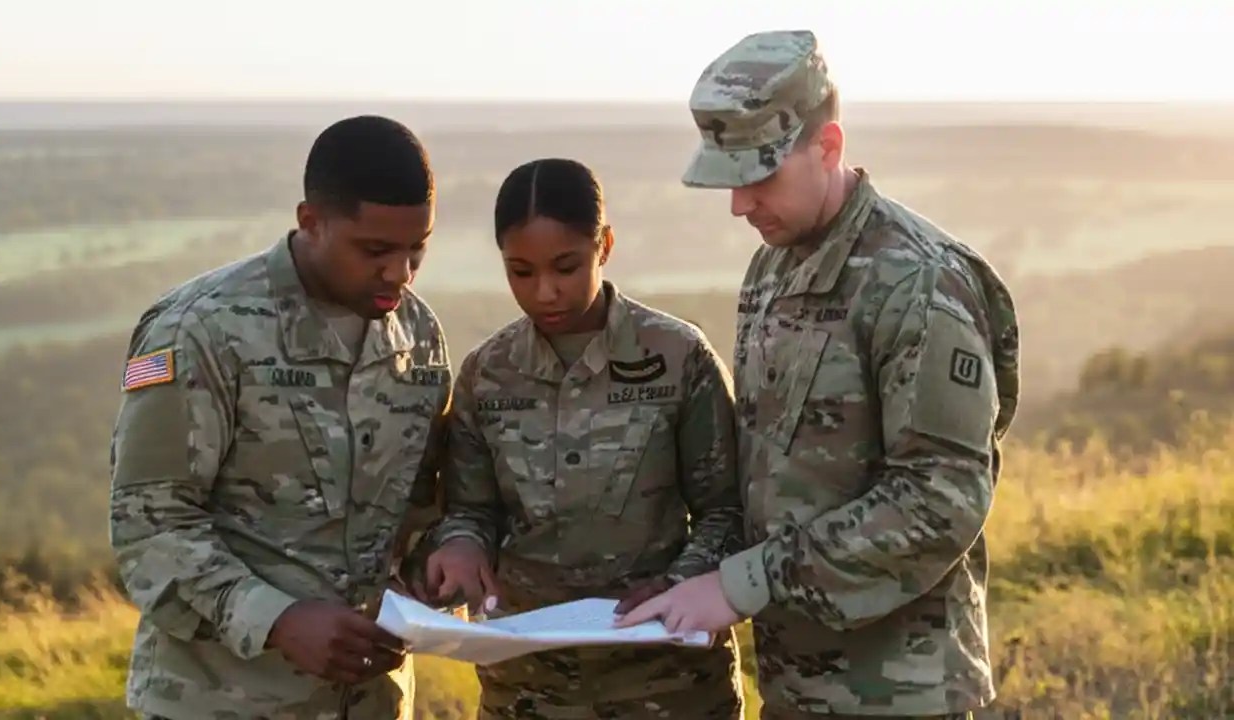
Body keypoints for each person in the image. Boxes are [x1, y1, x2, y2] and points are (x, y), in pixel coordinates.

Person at [616, 30, 1021, 720]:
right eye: (729, 180)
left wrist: (746, 584)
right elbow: (771, 478)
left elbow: (941, 496)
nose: (740, 205)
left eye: (759, 177)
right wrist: (694, 578)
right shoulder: (774, 269)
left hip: (899, 694)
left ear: (827, 147)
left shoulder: (917, 283)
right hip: (796, 687)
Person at [107, 115, 452, 720]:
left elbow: (419, 507)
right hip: (220, 703)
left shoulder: (416, 334)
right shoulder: (203, 330)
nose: (399, 272)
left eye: (416, 249)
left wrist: (436, 569)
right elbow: (150, 526)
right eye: (375, 250)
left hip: (373, 703)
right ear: (311, 221)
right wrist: (279, 620)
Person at [414, 157, 746, 719]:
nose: (545, 292)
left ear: (605, 246)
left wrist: (681, 581)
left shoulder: (676, 358)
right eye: (520, 271)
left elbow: (728, 510)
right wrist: (462, 546)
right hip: (528, 687)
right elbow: (470, 508)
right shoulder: (486, 373)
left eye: (567, 266)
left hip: (667, 682)